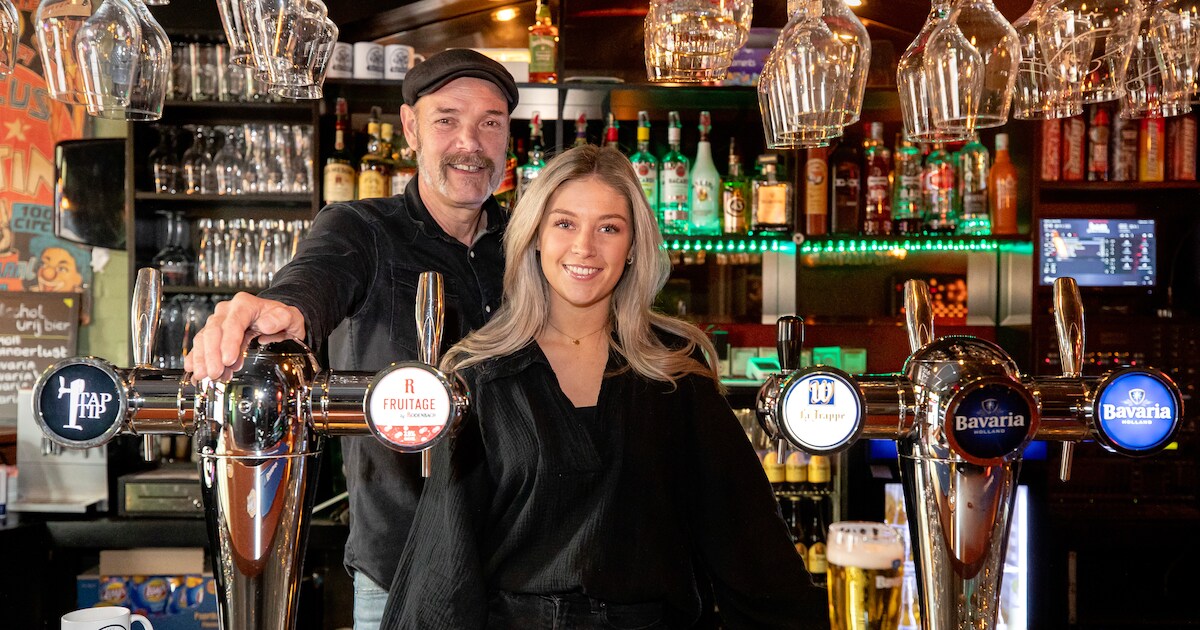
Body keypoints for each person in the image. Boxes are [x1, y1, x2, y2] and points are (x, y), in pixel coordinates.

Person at [380, 145, 828, 629]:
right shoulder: (479, 372)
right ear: (534, 236)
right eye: (565, 223)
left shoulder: (676, 368)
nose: (584, 248)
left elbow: (747, 541)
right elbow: (446, 563)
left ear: (634, 245)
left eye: (609, 228)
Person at [182, 49, 519, 629]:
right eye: (447, 119)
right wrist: (283, 311)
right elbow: (314, 281)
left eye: (490, 121)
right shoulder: (363, 229)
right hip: (400, 572)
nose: (472, 142)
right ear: (410, 128)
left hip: (520, 573)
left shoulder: (531, 241)